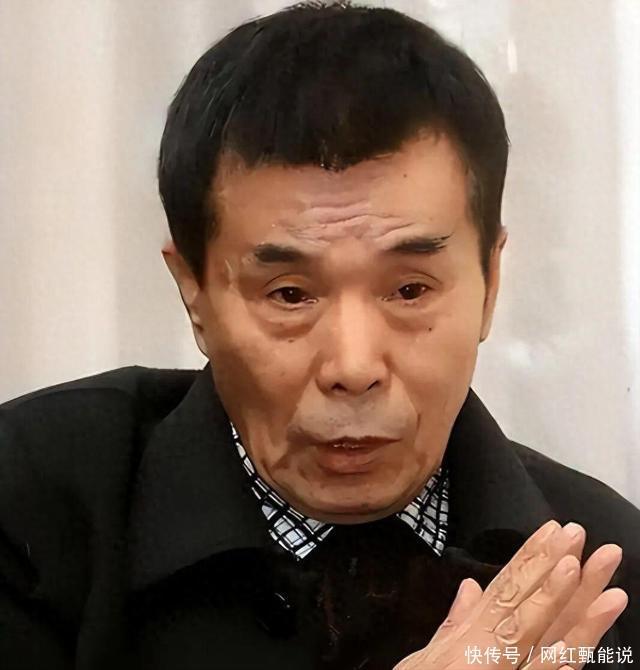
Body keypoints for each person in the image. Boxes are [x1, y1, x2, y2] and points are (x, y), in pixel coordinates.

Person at [1, 2, 638, 669]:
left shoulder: (609, 575)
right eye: (290, 295)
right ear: (194, 293)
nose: (353, 367)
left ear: (490, 283)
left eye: (410, 290)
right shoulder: (31, 515)